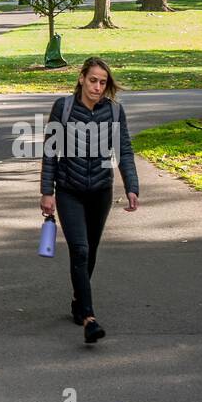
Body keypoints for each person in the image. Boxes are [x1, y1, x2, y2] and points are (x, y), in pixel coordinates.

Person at [40, 57, 139, 344]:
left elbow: (125, 151)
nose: (97, 87)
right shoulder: (64, 107)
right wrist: (47, 192)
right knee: (80, 251)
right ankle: (89, 317)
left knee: (91, 251)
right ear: (82, 78)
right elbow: (50, 152)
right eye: (93, 80)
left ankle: (77, 302)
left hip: (101, 192)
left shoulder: (114, 111)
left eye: (103, 82)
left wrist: (131, 186)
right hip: (69, 190)